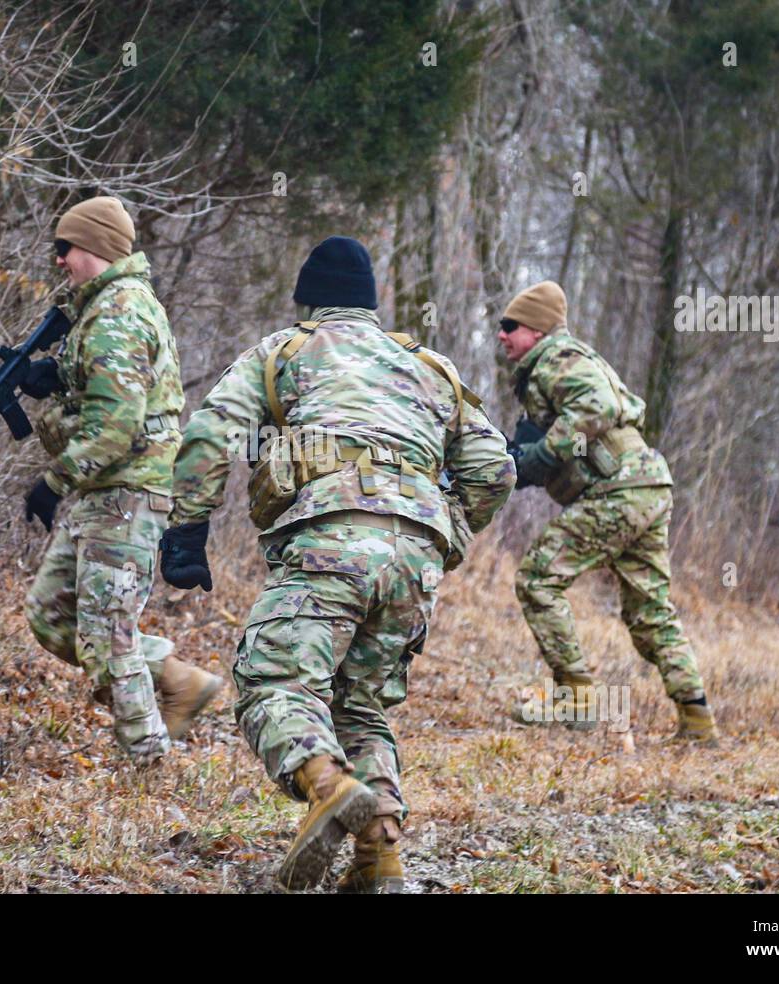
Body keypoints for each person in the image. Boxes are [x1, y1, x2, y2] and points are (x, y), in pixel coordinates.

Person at [159, 236, 515, 891]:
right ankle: (380, 859)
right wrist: (443, 531)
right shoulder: (430, 366)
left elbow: (212, 432)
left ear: (308, 303)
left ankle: (326, 786)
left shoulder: (287, 350)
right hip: (414, 559)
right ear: (371, 306)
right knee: (361, 704)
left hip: (331, 538)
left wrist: (186, 529)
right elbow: (494, 468)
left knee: (274, 680)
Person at [22, 195, 222, 766]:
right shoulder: (101, 310)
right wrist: (55, 378)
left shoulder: (118, 313)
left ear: (97, 249)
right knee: (51, 615)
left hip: (126, 494)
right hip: (103, 492)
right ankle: (178, 678)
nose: (58, 259)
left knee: (109, 636)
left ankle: (148, 762)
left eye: (66, 248)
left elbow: (116, 425)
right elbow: (101, 398)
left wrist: (53, 481)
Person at [498, 280, 717, 743]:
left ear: (536, 330)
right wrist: (522, 460)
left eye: (510, 326)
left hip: (619, 492)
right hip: (645, 487)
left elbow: (598, 405)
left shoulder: (558, 359)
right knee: (648, 611)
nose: (502, 335)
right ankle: (697, 719)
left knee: (537, 579)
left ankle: (577, 696)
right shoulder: (550, 365)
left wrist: (544, 455)